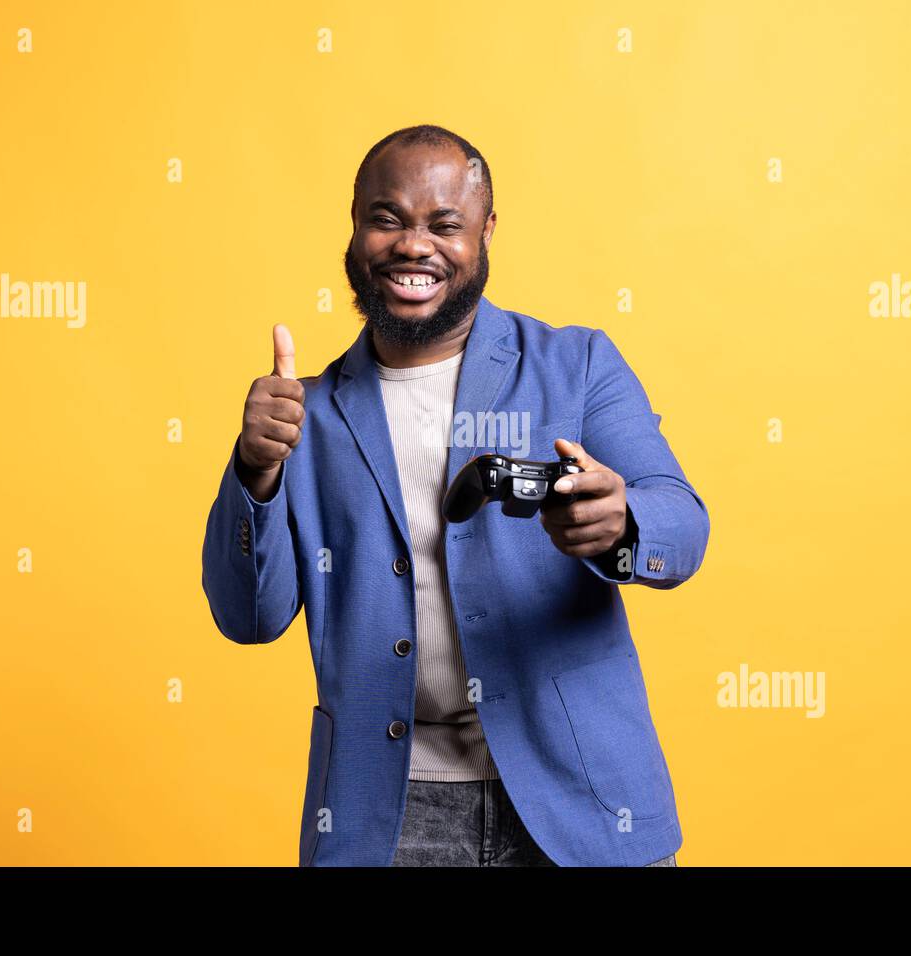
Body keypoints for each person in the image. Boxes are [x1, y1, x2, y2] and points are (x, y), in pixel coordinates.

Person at [202, 124, 710, 866]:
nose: (415, 245)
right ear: (355, 227)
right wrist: (256, 470)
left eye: (445, 224)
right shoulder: (302, 416)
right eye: (388, 219)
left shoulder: (577, 365)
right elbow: (247, 618)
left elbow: (682, 525)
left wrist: (622, 524)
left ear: (486, 232)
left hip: (583, 800)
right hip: (386, 810)